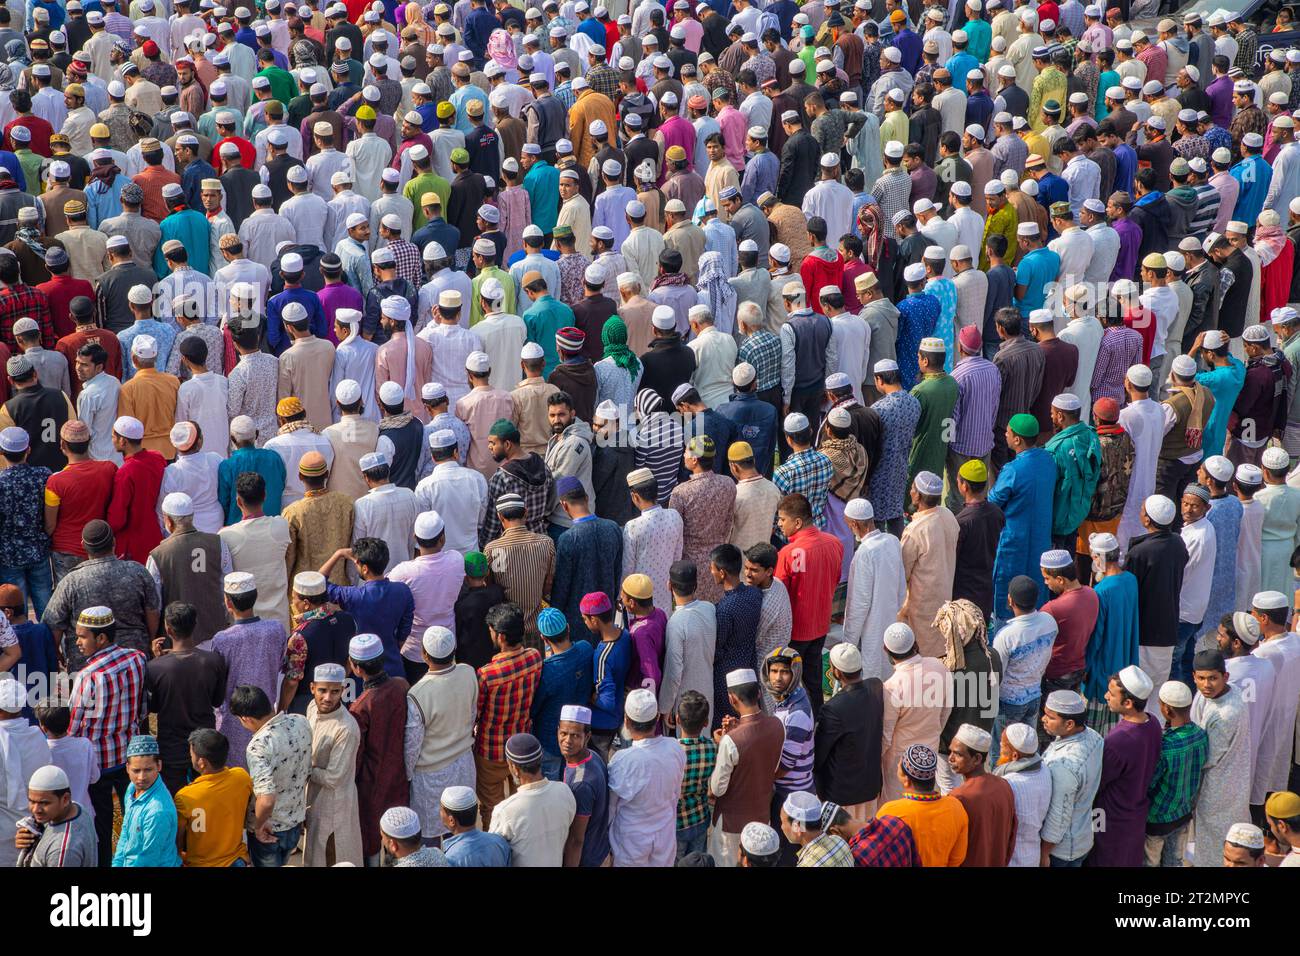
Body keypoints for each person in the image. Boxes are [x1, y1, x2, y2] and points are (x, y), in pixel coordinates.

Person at [607, 688, 687, 867]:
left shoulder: (623, 760)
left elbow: (610, 809)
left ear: (626, 721)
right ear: (657, 718)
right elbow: (675, 793)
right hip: (664, 840)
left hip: (630, 845)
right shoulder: (674, 748)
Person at [303, 662, 363, 868]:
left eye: (335, 691)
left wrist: (303, 769)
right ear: (312, 688)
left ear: (343, 690)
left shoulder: (346, 729)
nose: (328, 698)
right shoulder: (312, 708)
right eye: (322, 690)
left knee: (332, 855)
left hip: (334, 804)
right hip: (313, 796)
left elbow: (333, 777)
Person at [814, 642, 884, 820]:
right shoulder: (875, 687)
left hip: (843, 794)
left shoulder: (833, 708)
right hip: (870, 787)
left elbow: (819, 755)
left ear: (836, 672)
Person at [1145, 679, 1210, 867]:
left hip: (1157, 818)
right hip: (1182, 814)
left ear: (1167, 710)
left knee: (1150, 863)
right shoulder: (1200, 734)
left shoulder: (1165, 745)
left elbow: (1151, 781)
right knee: (1175, 862)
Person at [1040, 689, 1105, 866]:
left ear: (1069, 724)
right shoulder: (1094, 737)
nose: (1043, 719)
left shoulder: (1064, 767)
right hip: (1083, 838)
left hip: (1060, 850)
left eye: (1050, 717)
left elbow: (1058, 818)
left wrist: (1044, 854)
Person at [875, 743, 968, 867]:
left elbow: (881, 856)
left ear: (906, 779)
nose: (898, 765)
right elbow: (957, 859)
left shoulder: (890, 811)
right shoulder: (956, 807)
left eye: (900, 765)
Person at [174, 729, 254, 868]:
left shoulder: (185, 796)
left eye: (192, 754)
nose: (190, 757)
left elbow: (178, 839)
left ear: (202, 762)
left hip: (200, 864)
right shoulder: (242, 777)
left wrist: (179, 856)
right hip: (236, 860)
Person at [948, 723, 1017, 867]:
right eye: (951, 752)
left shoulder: (958, 798)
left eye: (958, 754)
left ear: (977, 759)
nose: (950, 758)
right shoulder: (1004, 786)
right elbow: (1011, 837)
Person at [110, 735, 181, 867]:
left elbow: (148, 860)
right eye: (136, 771)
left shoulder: (158, 811)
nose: (141, 777)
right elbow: (125, 833)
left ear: (159, 765)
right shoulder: (132, 788)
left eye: (148, 770)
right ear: (127, 768)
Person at [991, 721, 1053, 868]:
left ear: (1014, 755)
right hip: (1033, 853)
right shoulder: (1043, 768)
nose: (999, 747)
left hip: (1012, 857)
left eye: (1003, 745)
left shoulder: (1008, 783)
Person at [18, 764, 97, 868]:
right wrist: (30, 837)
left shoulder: (63, 851)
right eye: (32, 801)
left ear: (65, 799)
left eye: (44, 803)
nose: (36, 810)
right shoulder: (76, 808)